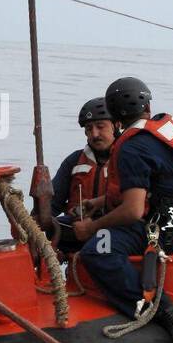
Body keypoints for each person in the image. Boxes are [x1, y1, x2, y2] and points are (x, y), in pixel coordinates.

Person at [74, 76, 173, 343]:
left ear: (115, 115)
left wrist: (91, 227)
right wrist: (100, 202)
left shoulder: (131, 147)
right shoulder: (160, 127)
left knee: (98, 251)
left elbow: (132, 211)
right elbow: (157, 182)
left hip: (159, 229)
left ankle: (167, 313)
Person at [50, 97, 115, 251]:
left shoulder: (129, 159)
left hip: (114, 229)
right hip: (77, 228)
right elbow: (52, 203)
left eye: (100, 127)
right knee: (39, 233)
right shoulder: (74, 161)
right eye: (89, 129)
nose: (95, 134)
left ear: (116, 126)